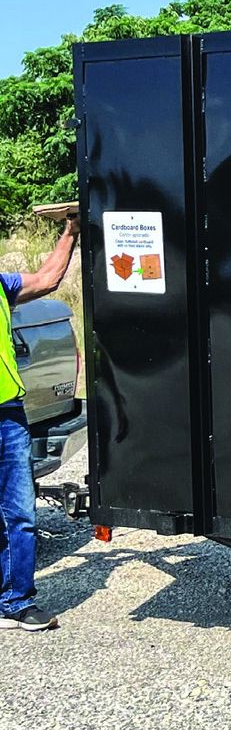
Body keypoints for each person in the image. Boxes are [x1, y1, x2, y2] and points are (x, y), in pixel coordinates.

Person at [0, 211, 82, 634]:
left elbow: (48, 278)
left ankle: (15, 603)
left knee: (19, 513)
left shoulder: (1, 285)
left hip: (9, 415)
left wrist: (71, 230)